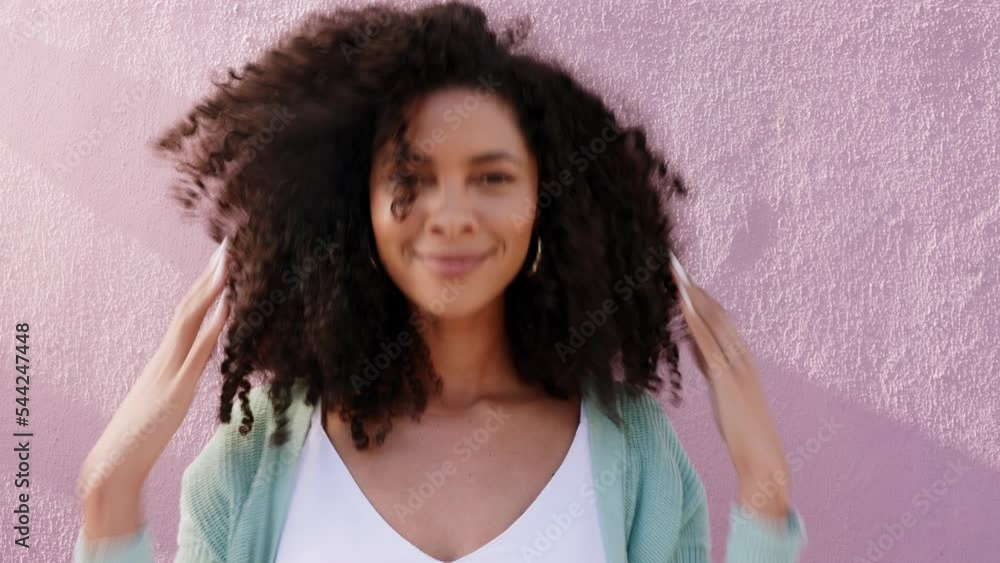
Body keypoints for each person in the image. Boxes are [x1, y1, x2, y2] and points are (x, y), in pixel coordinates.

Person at [74, 2, 806, 561]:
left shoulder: (632, 449)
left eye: (491, 177)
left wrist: (764, 487)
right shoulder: (258, 450)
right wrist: (108, 491)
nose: (451, 215)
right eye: (411, 177)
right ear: (354, 208)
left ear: (548, 203)